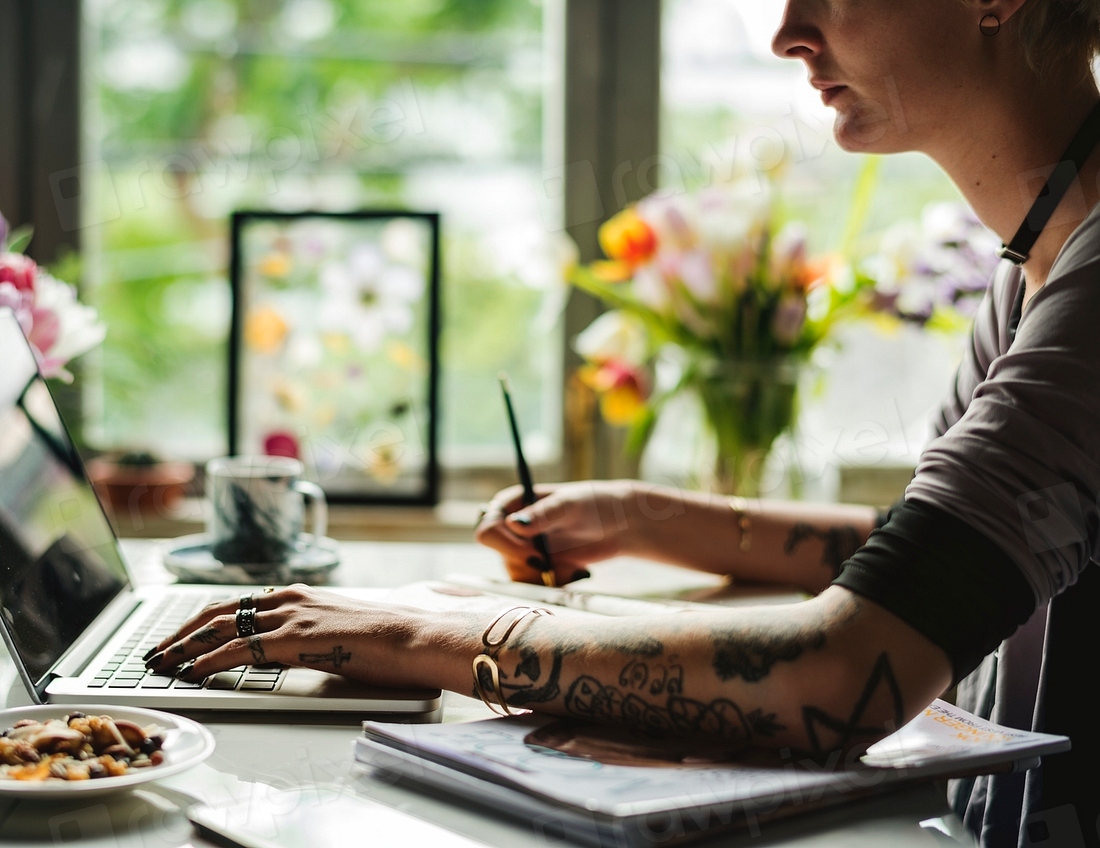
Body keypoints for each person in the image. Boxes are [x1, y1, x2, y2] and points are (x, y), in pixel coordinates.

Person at [148, 1, 1100, 844]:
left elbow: (842, 673)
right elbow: (932, 569)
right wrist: (651, 517)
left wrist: (429, 634)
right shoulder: (1037, 255)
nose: (787, 33)